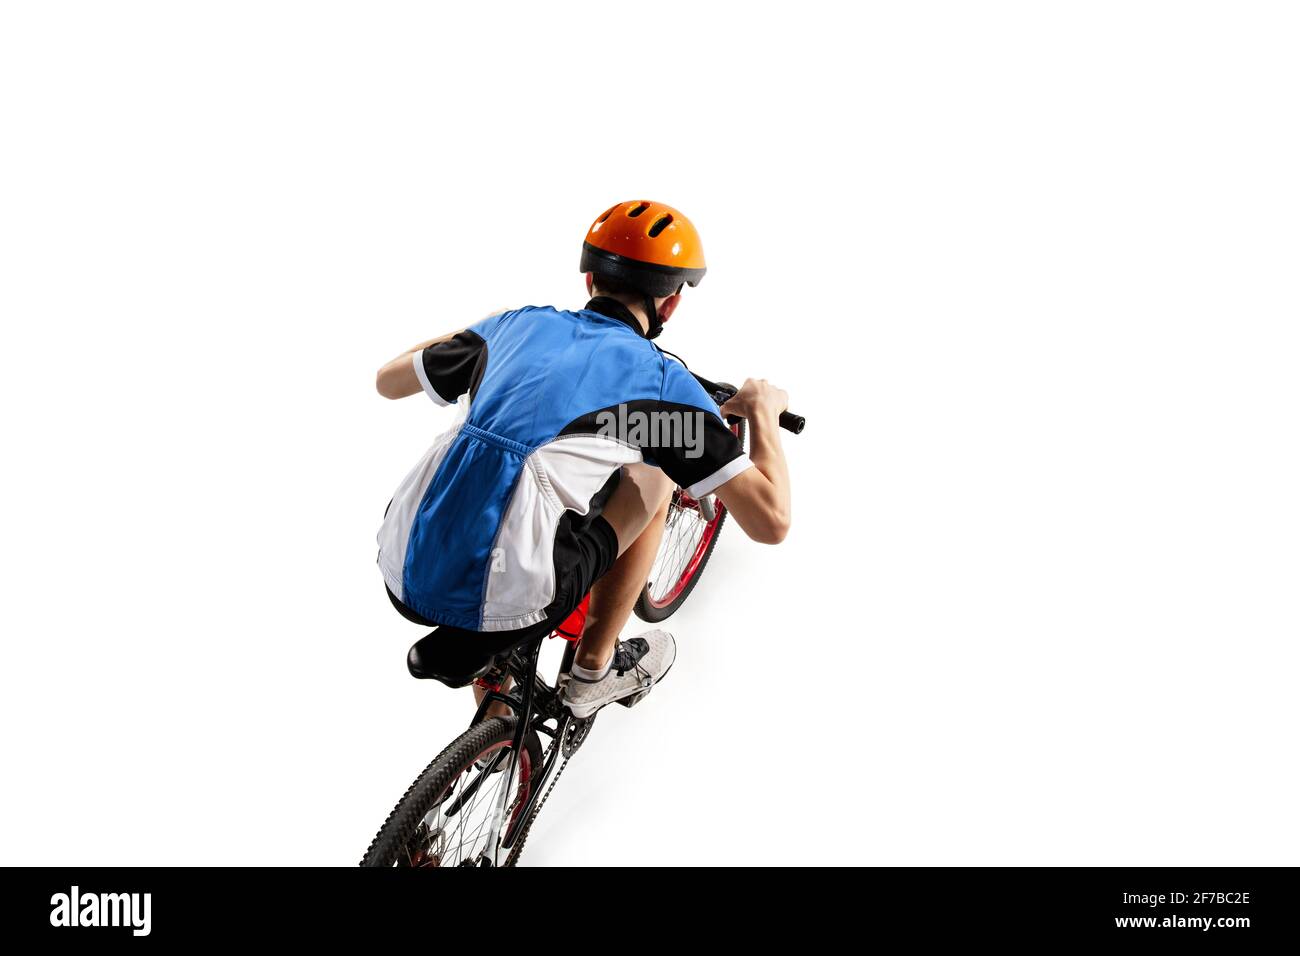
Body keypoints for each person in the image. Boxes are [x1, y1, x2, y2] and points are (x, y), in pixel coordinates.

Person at [375, 200, 792, 717]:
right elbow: (771, 521)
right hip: (512, 584)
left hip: (404, 560)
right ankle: (593, 670)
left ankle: (496, 708)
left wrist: (481, 333)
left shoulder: (513, 327)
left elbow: (387, 381)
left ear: (590, 277)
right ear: (670, 304)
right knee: (657, 473)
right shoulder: (660, 390)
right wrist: (763, 413)